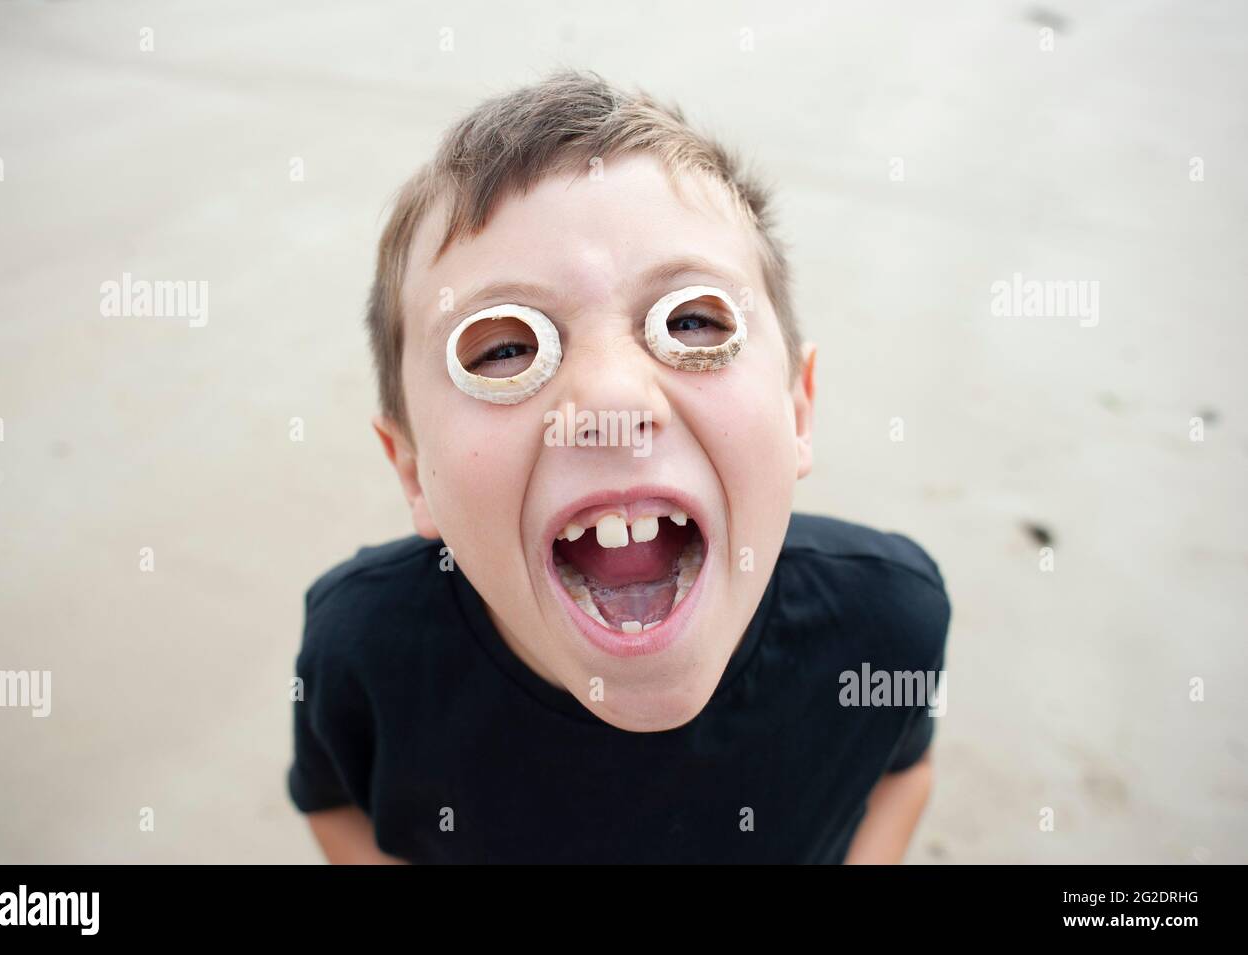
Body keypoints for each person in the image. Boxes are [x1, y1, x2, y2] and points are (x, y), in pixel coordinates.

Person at [288, 69, 950, 863]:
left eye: (695, 321)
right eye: (504, 348)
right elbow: (337, 810)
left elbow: (902, 777)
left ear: (798, 409)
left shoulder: (886, 622)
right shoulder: (363, 649)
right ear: (411, 469)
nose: (609, 399)